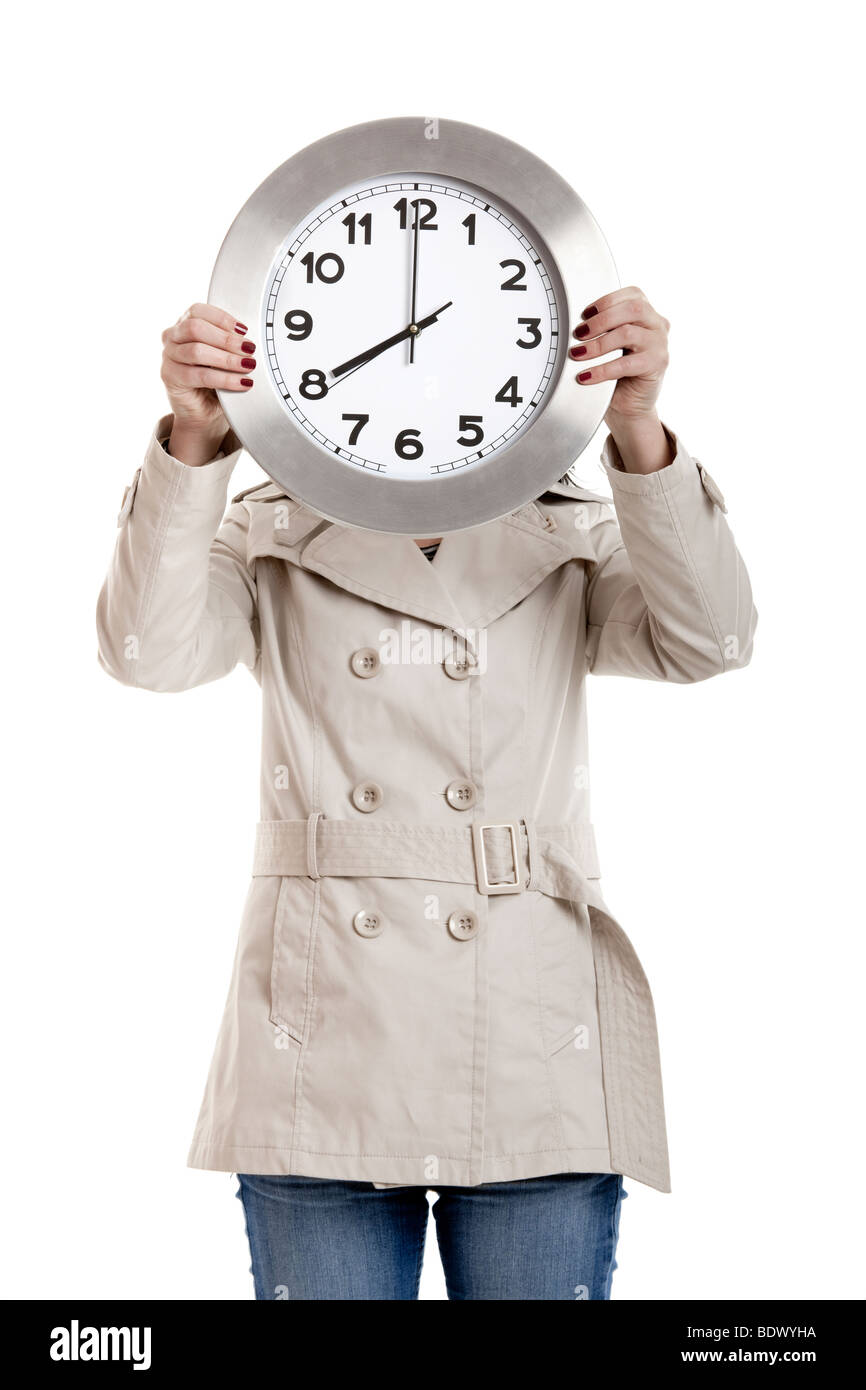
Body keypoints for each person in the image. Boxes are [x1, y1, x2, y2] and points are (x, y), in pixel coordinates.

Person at [96, 287, 757, 1301]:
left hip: (530, 1044)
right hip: (321, 1043)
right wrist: (194, 444)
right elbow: (146, 651)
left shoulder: (570, 529)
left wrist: (636, 432)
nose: (415, 365)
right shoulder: (268, 525)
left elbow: (709, 639)